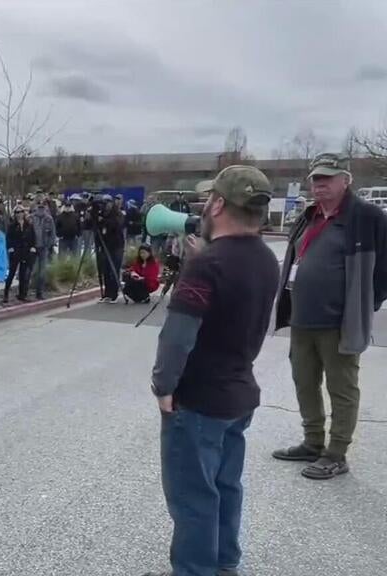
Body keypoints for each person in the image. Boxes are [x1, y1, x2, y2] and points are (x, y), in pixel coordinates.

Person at [142, 165, 278, 576]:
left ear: (218, 204)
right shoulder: (266, 259)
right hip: (238, 396)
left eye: (208, 199)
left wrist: (164, 385)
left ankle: (194, 570)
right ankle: (224, 564)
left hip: (198, 401)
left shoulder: (207, 265)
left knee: (193, 498)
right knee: (225, 486)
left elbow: (178, 335)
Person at [272, 152, 387, 480]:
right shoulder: (309, 214)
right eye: (315, 179)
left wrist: (369, 303)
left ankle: (336, 453)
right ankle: (312, 442)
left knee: (342, 388)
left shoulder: (366, 216)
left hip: (340, 322)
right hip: (302, 319)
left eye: (327, 179)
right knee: (304, 382)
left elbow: (384, 268)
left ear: (345, 180)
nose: (319, 185)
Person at [4, 205, 36, 302]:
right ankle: (6, 294)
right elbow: (8, 238)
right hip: (15, 251)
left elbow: (33, 237)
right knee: (12, 273)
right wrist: (10, 248)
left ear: (24, 213)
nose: (19, 214)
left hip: (25, 251)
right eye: (17, 212)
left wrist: (33, 247)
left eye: (21, 212)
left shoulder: (29, 225)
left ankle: (22, 294)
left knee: (23, 274)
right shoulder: (12, 225)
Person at [96, 196, 125, 303]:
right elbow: (92, 226)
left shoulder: (118, 213)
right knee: (106, 270)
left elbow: (117, 225)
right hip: (105, 245)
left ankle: (114, 294)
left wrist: (103, 221)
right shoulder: (101, 213)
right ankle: (107, 294)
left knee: (114, 270)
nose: (106, 205)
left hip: (116, 246)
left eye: (108, 202)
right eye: (105, 202)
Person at [30, 194, 57, 300]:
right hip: (33, 247)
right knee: (31, 270)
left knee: (42, 271)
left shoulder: (49, 219)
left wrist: (49, 245)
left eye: (43, 206)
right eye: (39, 206)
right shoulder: (31, 218)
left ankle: (39, 293)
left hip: (44, 248)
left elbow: (53, 233)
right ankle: (27, 290)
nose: (41, 208)